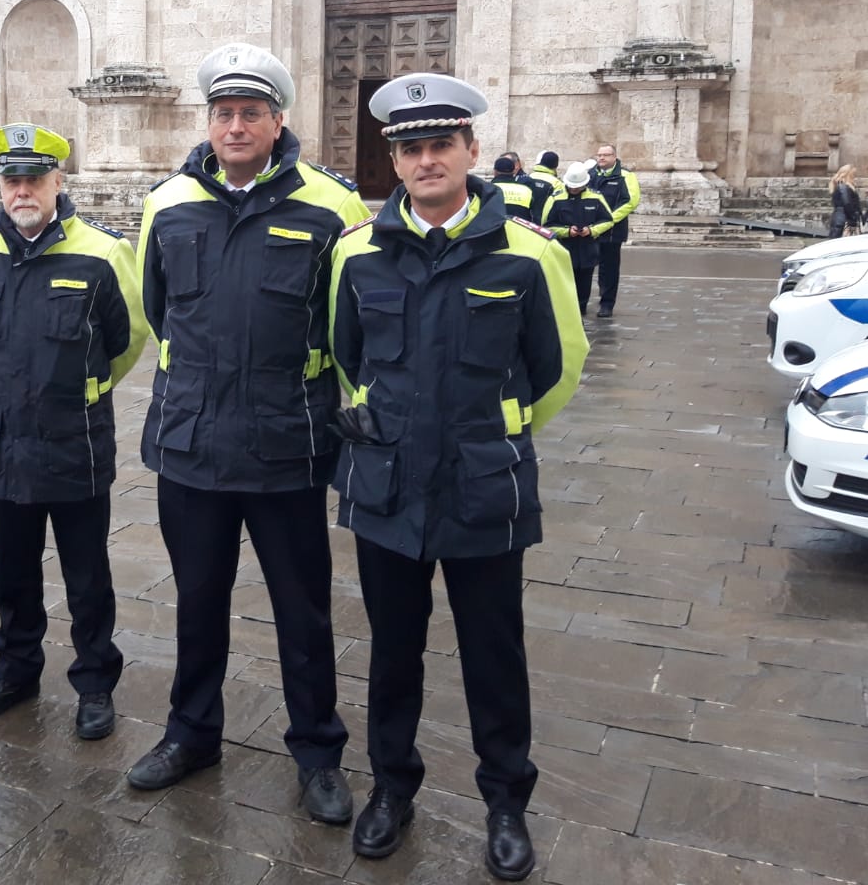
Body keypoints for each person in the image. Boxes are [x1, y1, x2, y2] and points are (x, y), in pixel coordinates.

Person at [329, 72, 587, 882]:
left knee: (492, 652)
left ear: (472, 150)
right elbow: (346, 355)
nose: (426, 159)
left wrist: (491, 435)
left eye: (441, 143)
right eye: (410, 148)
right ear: (394, 163)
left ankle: (505, 801)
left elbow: (557, 368)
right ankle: (391, 789)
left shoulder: (528, 252)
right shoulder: (355, 253)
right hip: (388, 485)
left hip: (483, 485)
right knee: (391, 652)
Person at [129, 43, 370, 824]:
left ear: (277, 122)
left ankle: (316, 754)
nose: (235, 126)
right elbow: (158, 310)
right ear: (209, 122)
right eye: (223, 113)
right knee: (196, 601)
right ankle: (191, 734)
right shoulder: (167, 203)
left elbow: (347, 325)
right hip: (193, 442)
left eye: (251, 114)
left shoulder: (330, 208)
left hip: (287, 444)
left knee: (302, 611)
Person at [0, 124, 149, 740]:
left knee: (86, 573)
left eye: (34, 178)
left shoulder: (103, 252)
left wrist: (73, 388)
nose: (22, 191)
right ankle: (15, 669)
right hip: (2, 436)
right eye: (12, 179)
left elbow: (128, 338)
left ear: (59, 181)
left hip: (74, 438)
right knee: (12, 569)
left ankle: (94, 681)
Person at [542, 163, 614, 316]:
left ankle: (581, 309)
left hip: (588, 247)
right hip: (564, 248)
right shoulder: (556, 198)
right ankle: (565, 309)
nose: (574, 189)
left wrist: (592, 230)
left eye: (577, 186)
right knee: (564, 281)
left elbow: (608, 220)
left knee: (585, 281)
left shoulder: (596, 197)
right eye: (572, 186)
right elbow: (546, 225)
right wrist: (567, 231)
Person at [589, 144, 641, 317]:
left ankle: (607, 303)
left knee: (609, 269)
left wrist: (608, 219)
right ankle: (581, 302)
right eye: (599, 155)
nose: (602, 158)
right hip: (589, 230)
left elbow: (630, 202)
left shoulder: (625, 176)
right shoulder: (591, 174)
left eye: (606, 155)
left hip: (612, 231)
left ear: (614, 157)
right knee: (584, 267)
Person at [490, 155, 534, 221]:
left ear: (495, 171)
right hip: (519, 230)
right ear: (513, 171)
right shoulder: (526, 190)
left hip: (494, 230)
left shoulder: (487, 189)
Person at [828, 164, 861, 239]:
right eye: (853, 174)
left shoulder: (839, 186)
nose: (854, 177)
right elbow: (847, 203)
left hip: (839, 218)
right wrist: (853, 219)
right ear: (848, 174)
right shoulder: (844, 187)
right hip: (844, 219)